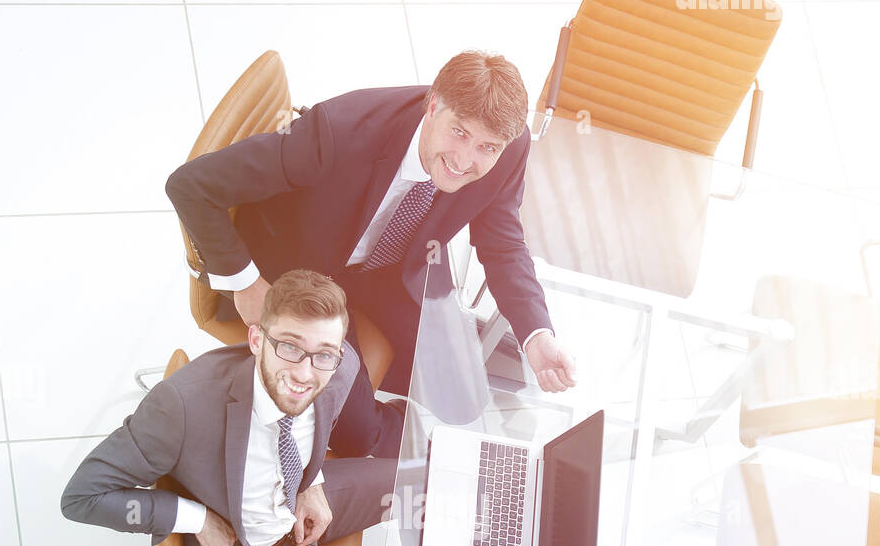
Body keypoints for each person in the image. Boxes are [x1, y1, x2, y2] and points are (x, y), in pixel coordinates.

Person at [165, 51, 577, 457]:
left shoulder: (510, 147)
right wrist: (246, 284)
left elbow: (502, 242)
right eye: (460, 132)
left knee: (463, 396)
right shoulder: (337, 131)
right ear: (433, 105)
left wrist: (537, 336)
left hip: (389, 269)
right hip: (300, 274)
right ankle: (408, 453)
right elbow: (190, 186)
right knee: (359, 436)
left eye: (487, 147)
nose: (465, 162)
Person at [60, 268, 426, 546]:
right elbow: (82, 497)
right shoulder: (181, 408)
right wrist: (194, 519)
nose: (304, 373)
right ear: (256, 339)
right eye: (288, 346)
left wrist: (312, 480)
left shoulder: (339, 368)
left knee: (422, 483)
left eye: (322, 354)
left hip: (299, 504)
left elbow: (307, 422)